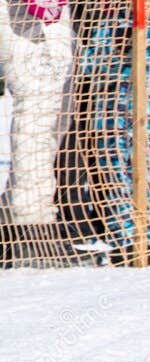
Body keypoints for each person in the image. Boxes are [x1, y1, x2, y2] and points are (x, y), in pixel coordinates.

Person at [79, 0, 150, 261]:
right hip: (117, 127)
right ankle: (128, 241)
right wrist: (114, 54)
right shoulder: (111, 31)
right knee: (120, 182)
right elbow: (89, 67)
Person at [0, 0, 77, 266]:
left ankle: (12, 216)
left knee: (57, 119)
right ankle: (30, 224)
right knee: (36, 113)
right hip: (23, 19)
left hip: (55, 19)